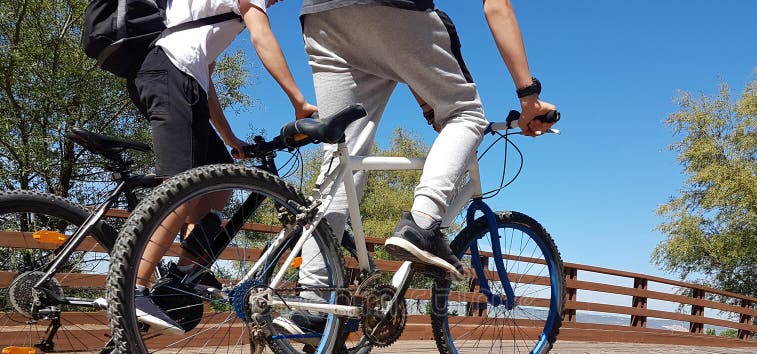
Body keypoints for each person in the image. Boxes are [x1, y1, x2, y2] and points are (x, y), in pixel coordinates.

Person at [278, 0, 557, 333]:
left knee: (341, 157)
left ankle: (314, 301)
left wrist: (431, 110)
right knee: (466, 115)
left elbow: (406, 62)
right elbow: (497, 6)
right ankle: (421, 223)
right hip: (389, 7)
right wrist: (530, 98)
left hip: (321, 17)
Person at [119, 0, 317, 333]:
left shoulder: (204, 18)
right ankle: (132, 290)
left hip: (178, 80)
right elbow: (262, 35)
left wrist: (229, 138)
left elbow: (206, 82)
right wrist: (299, 101)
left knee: (219, 181)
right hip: (169, 75)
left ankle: (183, 272)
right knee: (178, 190)